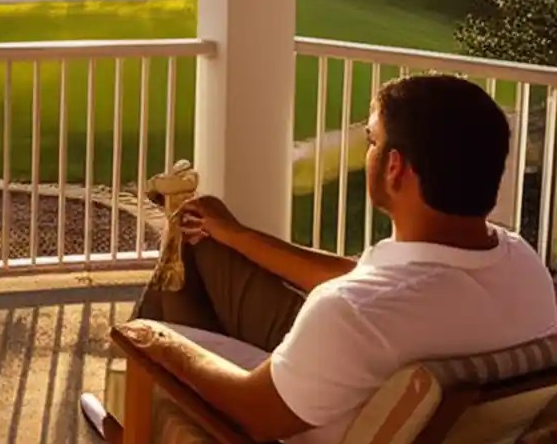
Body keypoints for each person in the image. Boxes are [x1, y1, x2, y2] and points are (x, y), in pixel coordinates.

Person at [81, 73, 557, 443]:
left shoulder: (352, 316)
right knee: (199, 242)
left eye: (372, 141)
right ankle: (131, 407)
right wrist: (238, 236)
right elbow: (367, 279)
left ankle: (138, 411)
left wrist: (160, 343)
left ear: (394, 168)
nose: (367, 152)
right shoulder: (523, 266)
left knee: (147, 340)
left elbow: (254, 411)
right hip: (346, 385)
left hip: (275, 415)